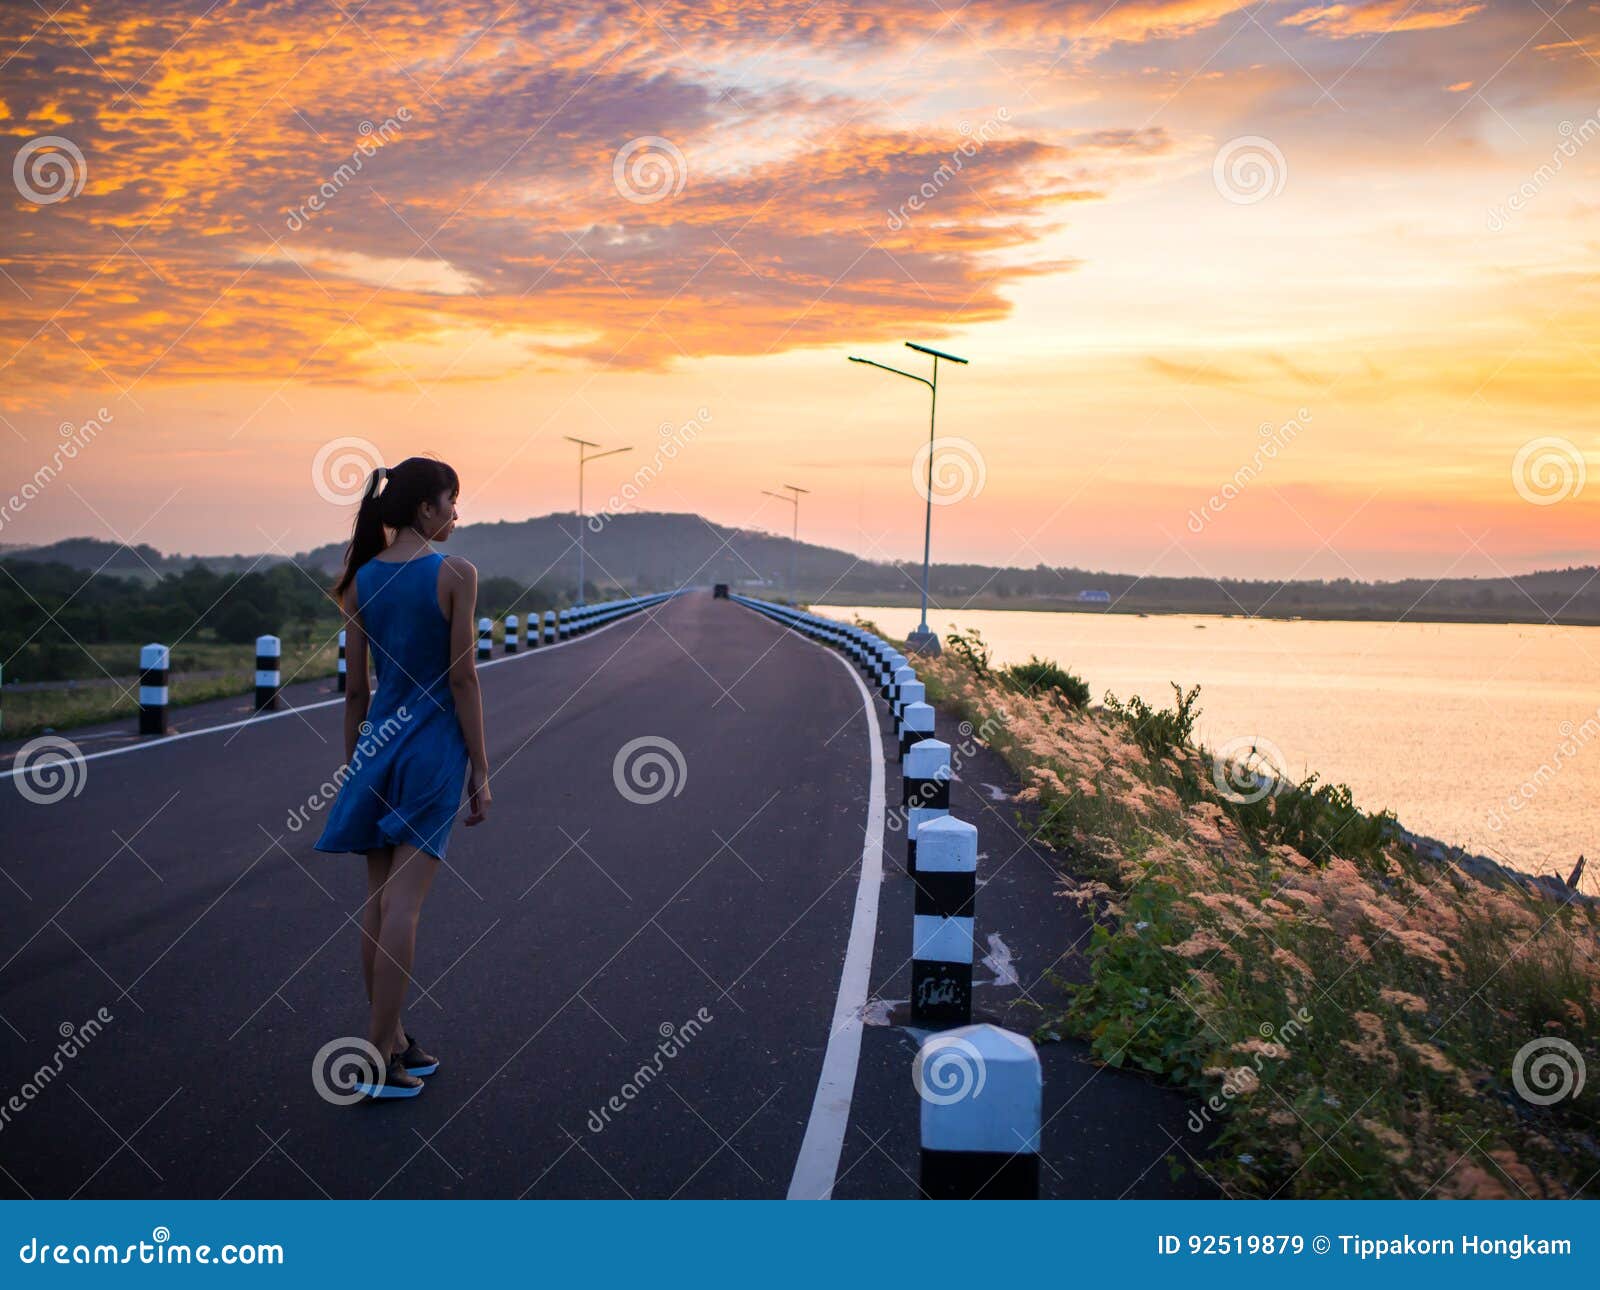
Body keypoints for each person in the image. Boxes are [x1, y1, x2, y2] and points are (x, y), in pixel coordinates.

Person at [314, 456, 492, 1100]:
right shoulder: (456, 574)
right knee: (405, 905)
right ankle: (375, 1054)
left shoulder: (362, 579)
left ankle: (391, 1039)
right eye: (451, 500)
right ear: (426, 507)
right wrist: (480, 765)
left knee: (379, 900)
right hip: (432, 752)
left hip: (377, 751)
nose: (454, 512)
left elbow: (356, 691)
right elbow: (464, 678)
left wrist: (351, 767)